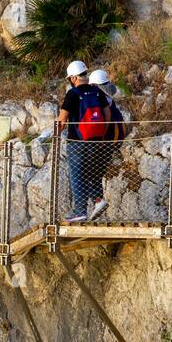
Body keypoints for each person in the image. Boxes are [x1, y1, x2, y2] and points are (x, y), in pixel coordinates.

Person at [56, 60, 113, 222]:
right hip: (96, 140)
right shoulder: (96, 91)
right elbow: (107, 113)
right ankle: (98, 200)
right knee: (91, 171)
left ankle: (80, 210)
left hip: (77, 141)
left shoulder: (73, 94)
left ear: (73, 78)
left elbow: (61, 121)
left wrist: (54, 135)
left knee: (77, 174)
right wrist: (102, 132)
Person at [84, 67, 129, 221]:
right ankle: (98, 200)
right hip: (114, 141)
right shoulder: (110, 99)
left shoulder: (99, 100)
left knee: (87, 171)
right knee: (95, 171)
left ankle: (98, 200)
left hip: (104, 141)